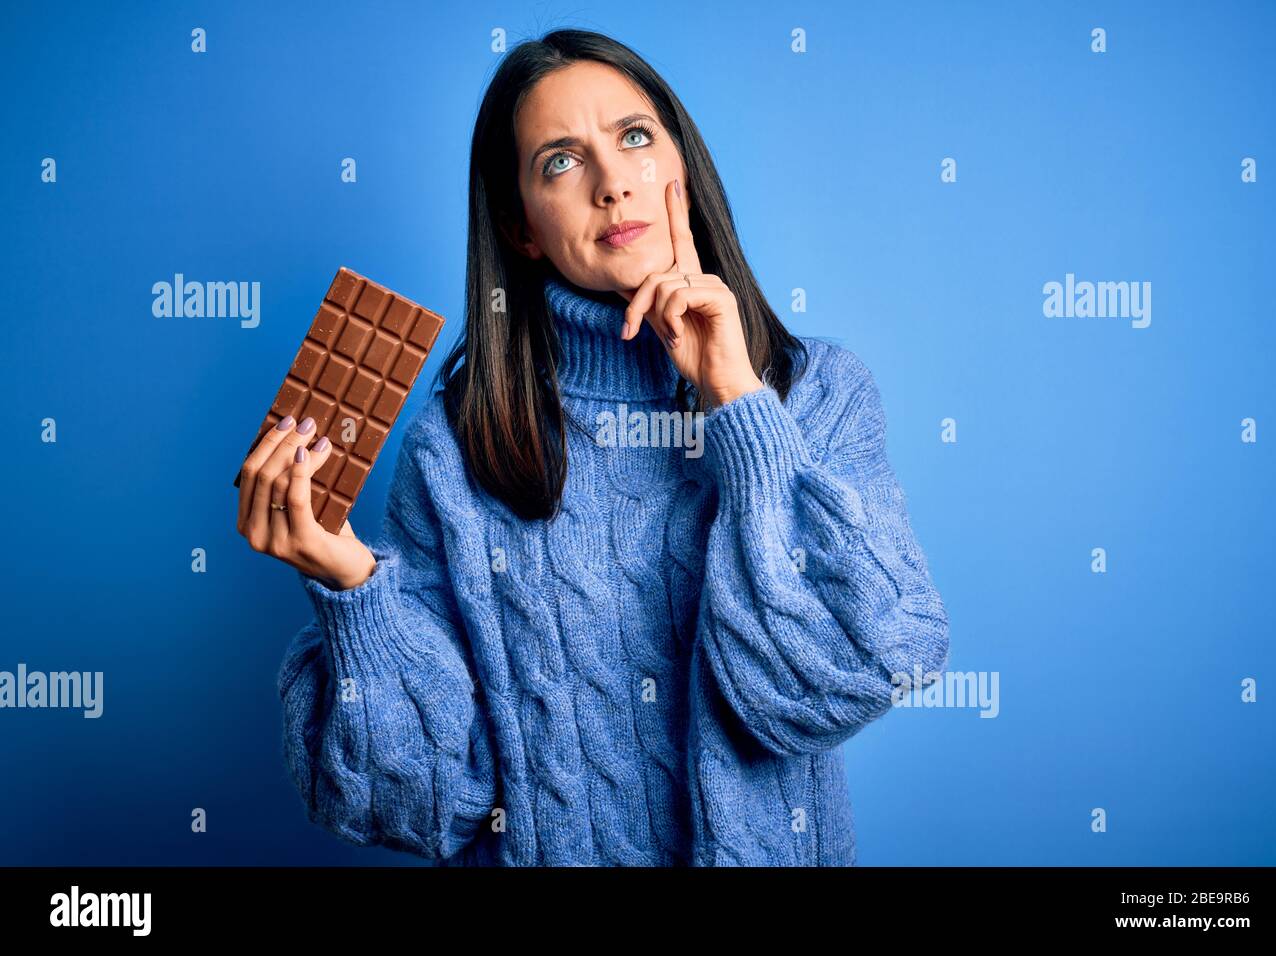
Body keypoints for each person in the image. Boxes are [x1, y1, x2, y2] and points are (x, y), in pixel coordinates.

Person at [236, 28, 949, 866]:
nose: (613, 183)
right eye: (562, 162)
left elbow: (838, 682)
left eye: (635, 138)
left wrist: (737, 404)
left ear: (680, 168)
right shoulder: (462, 447)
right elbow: (423, 805)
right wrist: (351, 589)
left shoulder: (817, 394)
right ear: (523, 226)